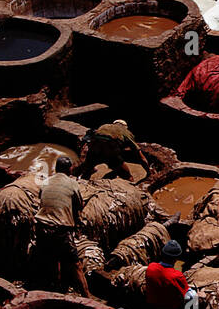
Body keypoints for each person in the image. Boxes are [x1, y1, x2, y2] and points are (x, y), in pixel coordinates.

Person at [32, 155, 89, 295]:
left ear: (56, 168)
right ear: (69, 169)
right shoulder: (72, 183)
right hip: (60, 229)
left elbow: (43, 201)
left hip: (41, 226)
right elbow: (79, 205)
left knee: (52, 259)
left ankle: (54, 288)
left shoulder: (46, 181)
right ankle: (86, 295)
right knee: (76, 264)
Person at [145, 240, 198, 309]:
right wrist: (197, 293)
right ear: (176, 259)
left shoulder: (151, 267)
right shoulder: (177, 276)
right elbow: (190, 296)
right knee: (194, 296)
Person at [80, 119, 149, 180]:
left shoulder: (104, 126)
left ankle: (84, 179)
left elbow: (93, 136)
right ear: (125, 127)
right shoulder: (126, 132)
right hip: (110, 147)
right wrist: (148, 171)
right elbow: (138, 153)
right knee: (124, 171)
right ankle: (130, 179)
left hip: (95, 145)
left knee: (88, 168)